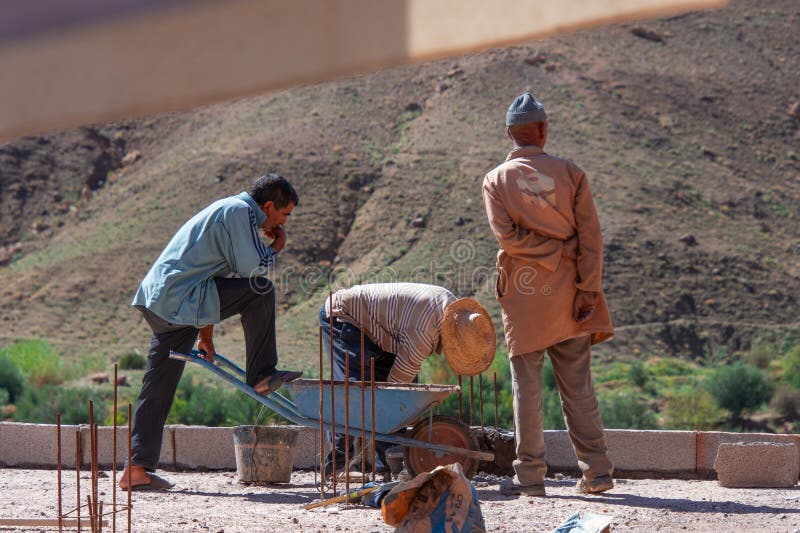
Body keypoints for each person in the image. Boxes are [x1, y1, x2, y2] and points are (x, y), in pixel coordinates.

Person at [120, 173, 302, 491]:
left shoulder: (232, 215)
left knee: (158, 387)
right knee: (262, 290)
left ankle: (136, 469)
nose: (284, 222)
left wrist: (206, 337)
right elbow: (251, 271)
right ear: (269, 206)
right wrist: (276, 247)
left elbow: (216, 275)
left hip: (166, 301)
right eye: (284, 215)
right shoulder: (238, 212)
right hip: (181, 297)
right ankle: (261, 375)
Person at [482, 93, 615, 497]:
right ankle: (597, 471)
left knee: (527, 389)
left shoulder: (495, 180)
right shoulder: (571, 173)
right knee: (578, 388)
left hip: (524, 297)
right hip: (572, 293)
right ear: (543, 130)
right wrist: (587, 286)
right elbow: (591, 236)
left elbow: (508, 237)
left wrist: (544, 251)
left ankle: (530, 479)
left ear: (510, 133)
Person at [319, 282, 495, 477]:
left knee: (391, 394)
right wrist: (408, 411)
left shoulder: (454, 312)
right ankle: (337, 465)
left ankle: (387, 464)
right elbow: (396, 391)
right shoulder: (423, 334)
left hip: (383, 330)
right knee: (354, 390)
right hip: (345, 315)